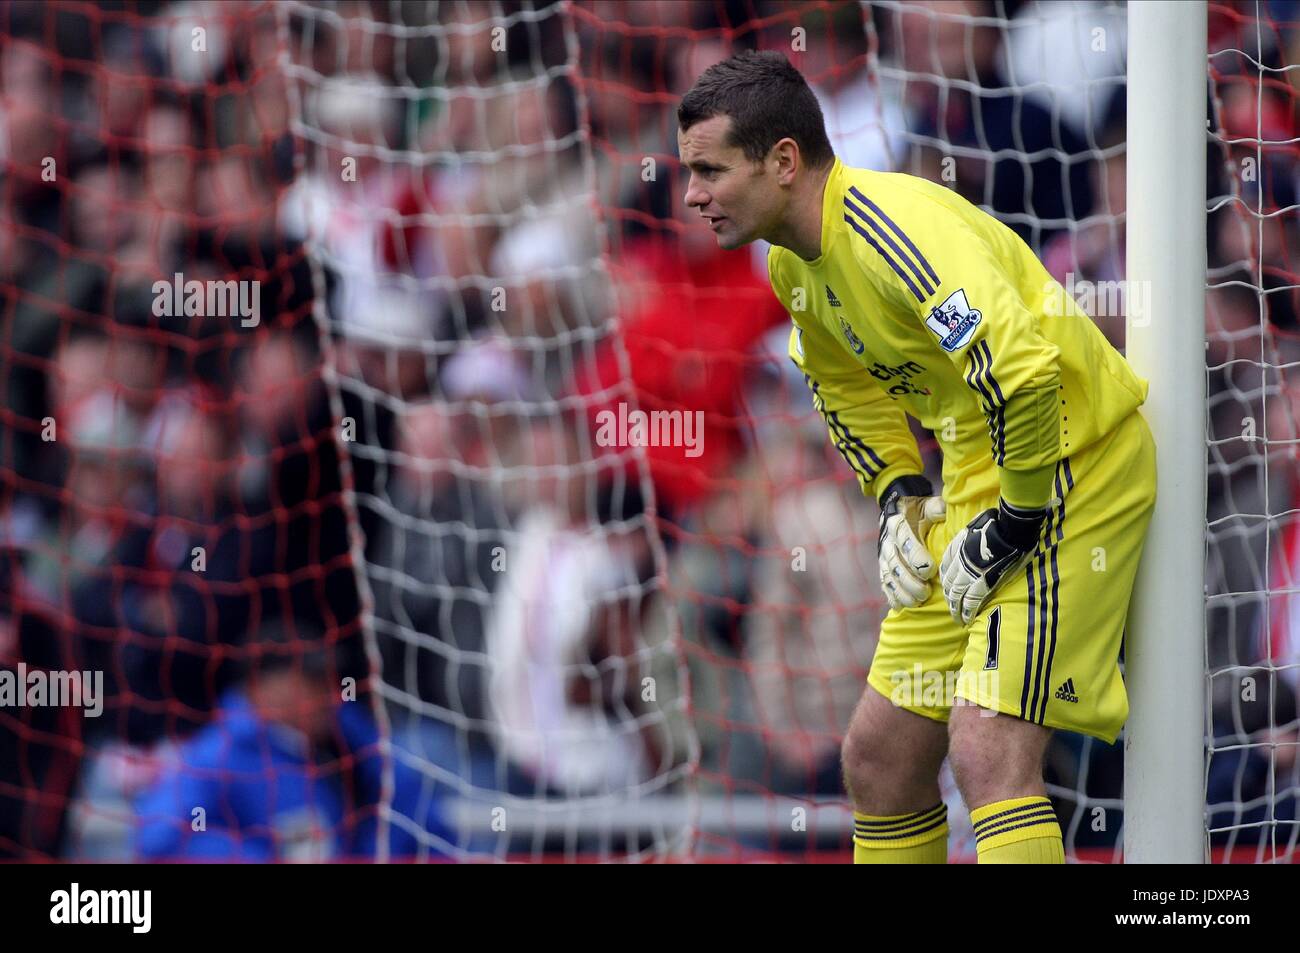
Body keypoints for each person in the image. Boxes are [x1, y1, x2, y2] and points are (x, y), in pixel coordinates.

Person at [676, 50, 1156, 864]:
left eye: (709, 170)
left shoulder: (894, 232)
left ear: (783, 162)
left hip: (1072, 464)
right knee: (879, 755)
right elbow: (843, 385)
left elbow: (1027, 370)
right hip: (977, 476)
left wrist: (1018, 517)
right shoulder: (795, 263)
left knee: (987, 747)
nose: (690, 194)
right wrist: (899, 495)